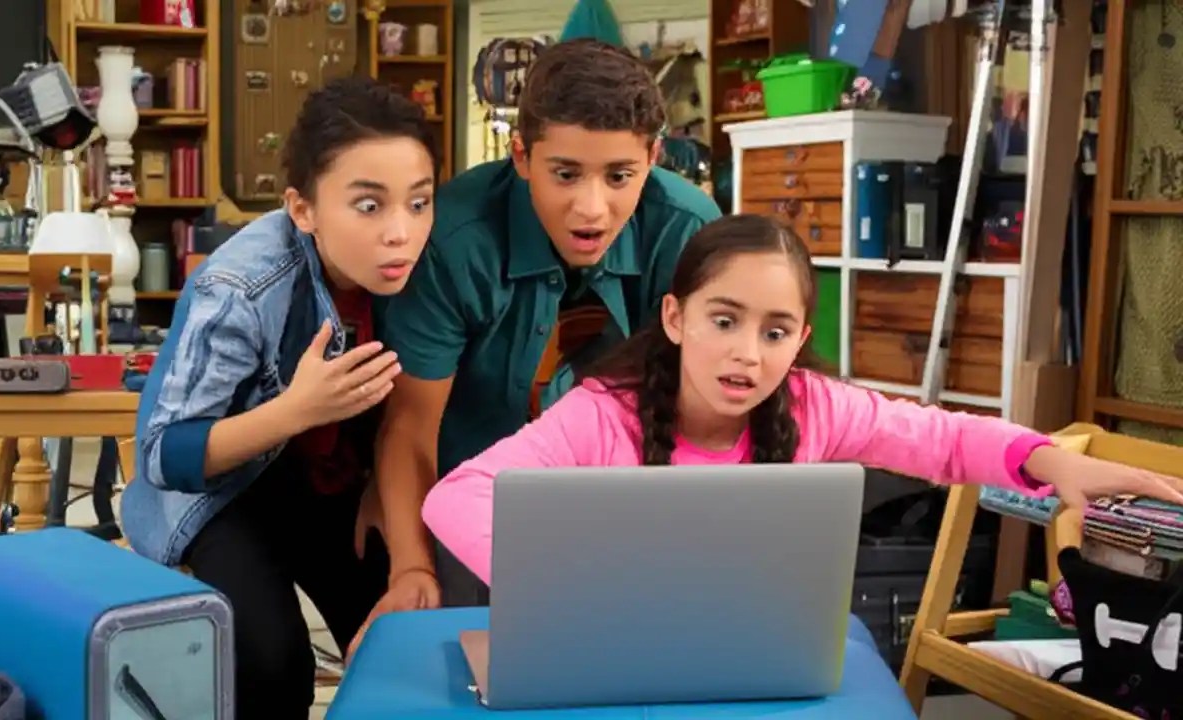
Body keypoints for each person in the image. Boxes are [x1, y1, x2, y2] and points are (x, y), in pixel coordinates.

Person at [420, 214, 1183, 585]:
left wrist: (1054, 463)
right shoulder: (603, 411)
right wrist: (565, 578)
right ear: (677, 318)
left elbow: (942, 440)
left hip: (750, 656)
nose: (749, 354)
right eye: (724, 321)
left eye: (775, 331)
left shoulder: (815, 406)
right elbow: (456, 496)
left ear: (800, 336)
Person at [361, 38, 724, 636]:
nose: (592, 209)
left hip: (635, 498)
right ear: (521, 155)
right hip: (471, 497)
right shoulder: (453, 241)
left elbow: (712, 405)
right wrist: (411, 568)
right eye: (565, 174)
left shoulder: (688, 233)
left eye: (620, 176)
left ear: (655, 157)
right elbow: (410, 429)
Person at [121, 77, 439, 718]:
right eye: (369, 206)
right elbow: (164, 453)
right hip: (227, 494)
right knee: (274, 662)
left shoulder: (428, 267)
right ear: (303, 209)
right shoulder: (243, 284)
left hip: (331, 483)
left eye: (420, 203)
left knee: (410, 633)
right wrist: (297, 411)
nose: (401, 233)